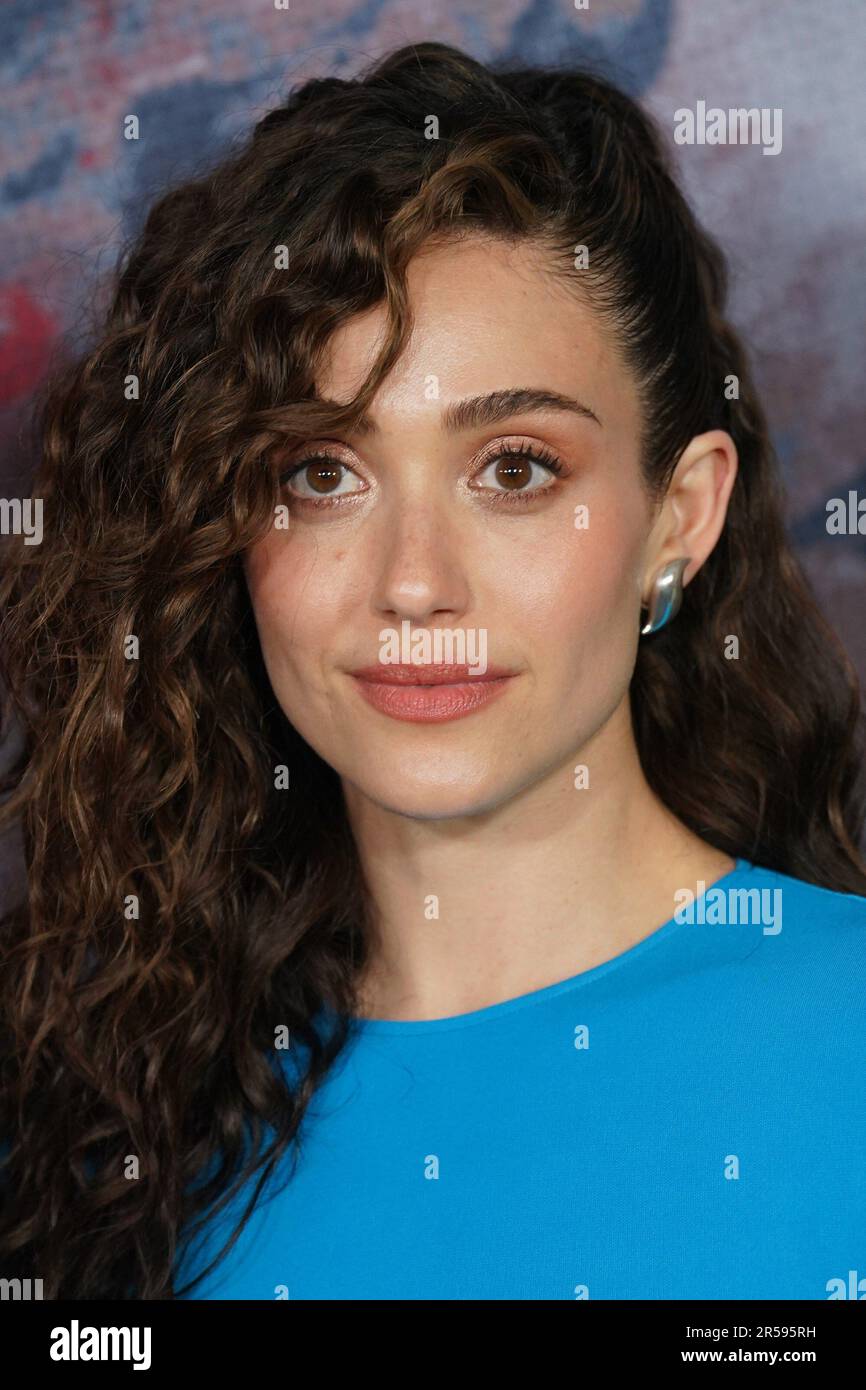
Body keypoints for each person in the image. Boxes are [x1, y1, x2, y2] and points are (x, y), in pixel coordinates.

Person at [1, 41, 864, 1302]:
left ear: (677, 518)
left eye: (514, 468)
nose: (412, 581)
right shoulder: (86, 1127)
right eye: (320, 473)